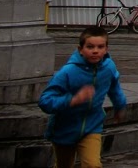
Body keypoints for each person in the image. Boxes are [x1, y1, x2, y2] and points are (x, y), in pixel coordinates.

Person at [39, 26, 127, 168]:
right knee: (64, 165)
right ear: (80, 49)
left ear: (106, 49)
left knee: (92, 165)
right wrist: (72, 100)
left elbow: (114, 87)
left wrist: (120, 105)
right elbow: (45, 101)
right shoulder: (68, 72)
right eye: (90, 47)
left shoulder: (108, 67)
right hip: (64, 128)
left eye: (100, 47)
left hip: (92, 125)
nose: (95, 51)